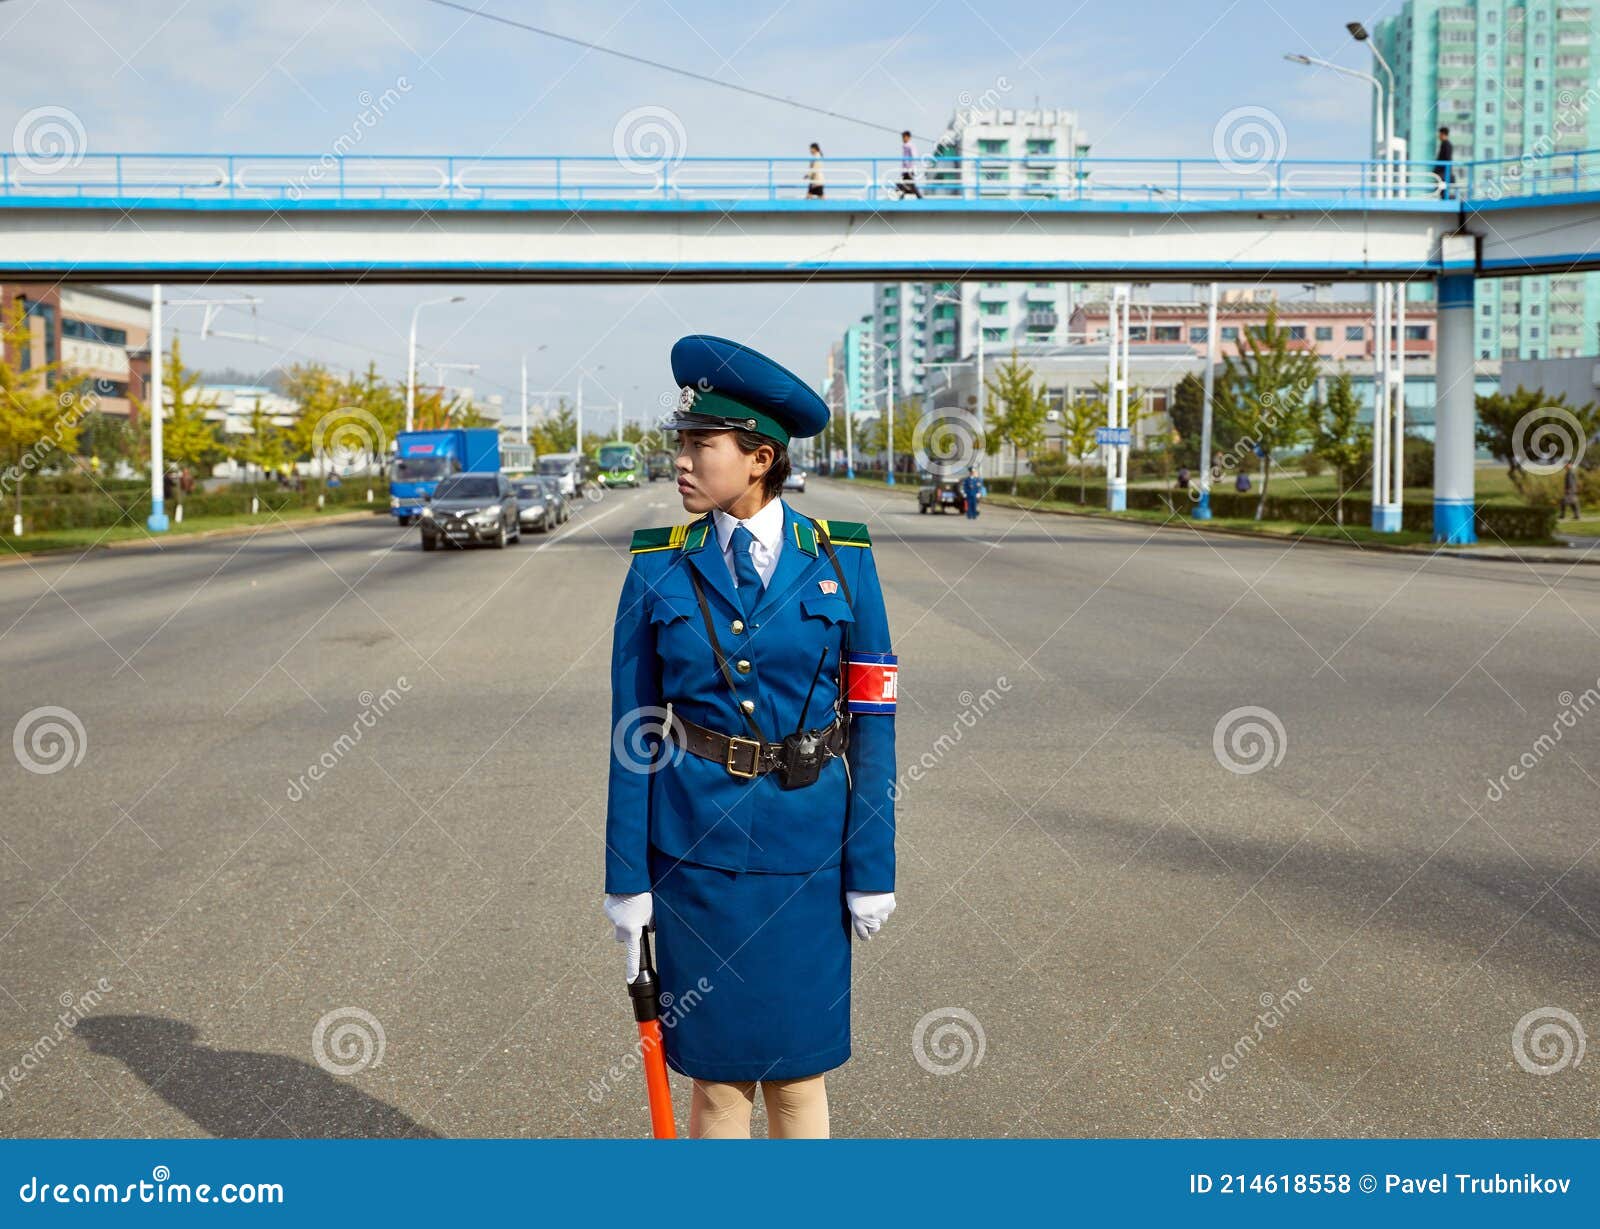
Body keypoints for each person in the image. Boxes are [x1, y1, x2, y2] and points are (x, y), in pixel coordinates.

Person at [603, 334, 898, 1140]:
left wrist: (873, 867)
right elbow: (633, 732)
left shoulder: (845, 560)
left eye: (703, 444)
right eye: (683, 442)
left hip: (808, 860)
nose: (684, 460)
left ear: (760, 457)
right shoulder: (656, 569)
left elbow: (873, 722)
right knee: (720, 1085)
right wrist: (626, 880)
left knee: (800, 1082)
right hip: (696, 859)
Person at [896, 130, 922, 198]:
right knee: (905, 184)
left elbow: (914, 156)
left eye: (904, 137)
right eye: (903, 137)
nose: (903, 139)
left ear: (908, 137)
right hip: (905, 170)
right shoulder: (905, 146)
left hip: (909, 170)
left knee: (906, 185)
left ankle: (919, 197)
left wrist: (909, 167)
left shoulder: (910, 146)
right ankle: (902, 197)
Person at [1434, 126, 1453, 198]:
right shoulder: (1445, 144)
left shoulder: (1446, 144)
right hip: (1443, 172)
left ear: (1443, 134)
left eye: (1440, 134)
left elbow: (1447, 159)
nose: (1439, 136)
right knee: (1441, 190)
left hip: (1444, 172)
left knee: (1442, 190)